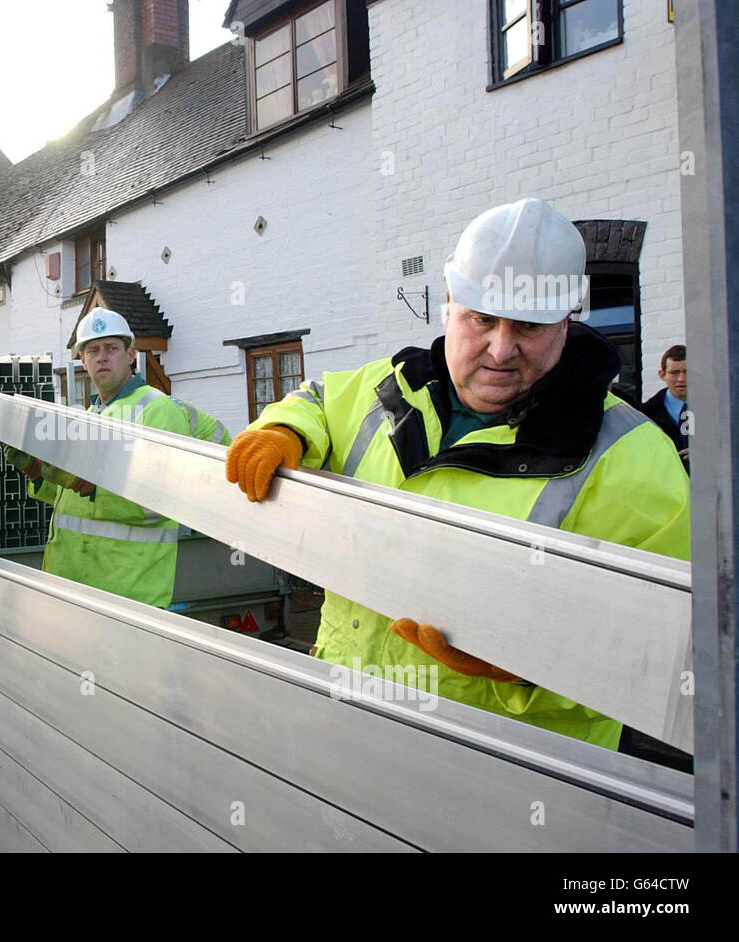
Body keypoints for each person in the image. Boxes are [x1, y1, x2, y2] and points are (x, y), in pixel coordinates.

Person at [225, 198, 690, 750]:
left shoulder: (634, 459)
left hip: (512, 773)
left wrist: (530, 664)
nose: (500, 348)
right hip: (343, 724)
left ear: (564, 323)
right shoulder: (388, 389)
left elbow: (667, 648)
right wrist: (286, 429)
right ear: (447, 306)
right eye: (482, 319)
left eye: (528, 326)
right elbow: (319, 398)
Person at [6, 308, 194, 608]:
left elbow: (159, 501)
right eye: (92, 350)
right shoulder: (92, 415)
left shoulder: (158, 410)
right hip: (75, 589)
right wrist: (37, 470)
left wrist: (86, 483)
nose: (101, 357)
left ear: (131, 354)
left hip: (128, 596)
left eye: (111, 349)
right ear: (82, 360)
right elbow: (73, 500)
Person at [640, 345, 690, 474]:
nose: (681, 379)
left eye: (687, 372)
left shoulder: (721, 412)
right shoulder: (644, 415)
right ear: (662, 375)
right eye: (674, 373)